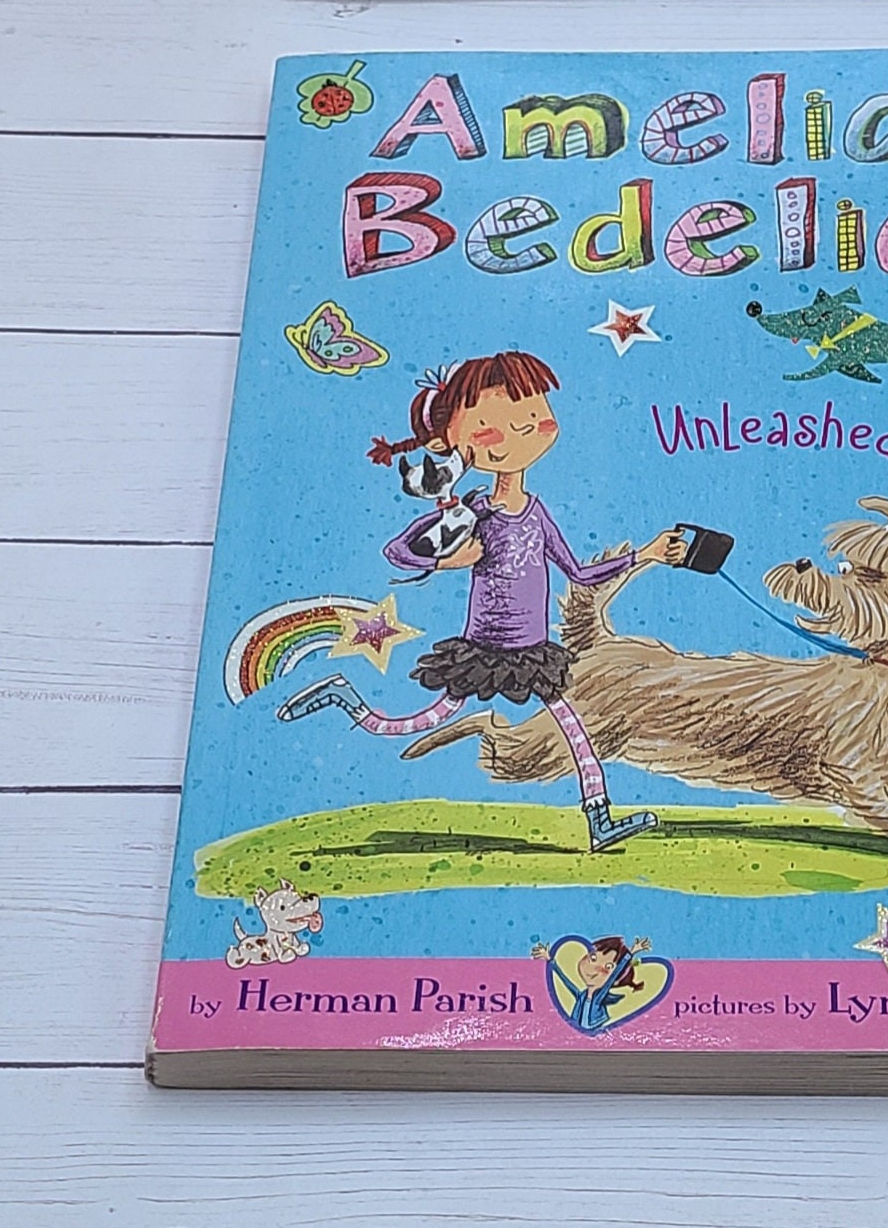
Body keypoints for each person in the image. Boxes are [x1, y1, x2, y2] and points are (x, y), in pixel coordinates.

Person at [277, 350, 686, 855]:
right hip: (481, 652)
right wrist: (449, 558)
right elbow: (399, 550)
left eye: (534, 415)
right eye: (497, 425)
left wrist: (645, 554)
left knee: (575, 733)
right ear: (453, 441)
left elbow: (578, 573)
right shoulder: (472, 511)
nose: (526, 428)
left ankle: (599, 822)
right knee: (420, 721)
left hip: (531, 651)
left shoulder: (536, 513)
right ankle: (345, 697)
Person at [533, 933, 652, 1033]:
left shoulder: (600, 995)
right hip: (578, 1031)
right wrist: (550, 960)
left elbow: (614, 975)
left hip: (594, 1028)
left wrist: (631, 953)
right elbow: (565, 981)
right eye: (593, 958)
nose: (594, 969)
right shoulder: (582, 996)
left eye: (607, 967)